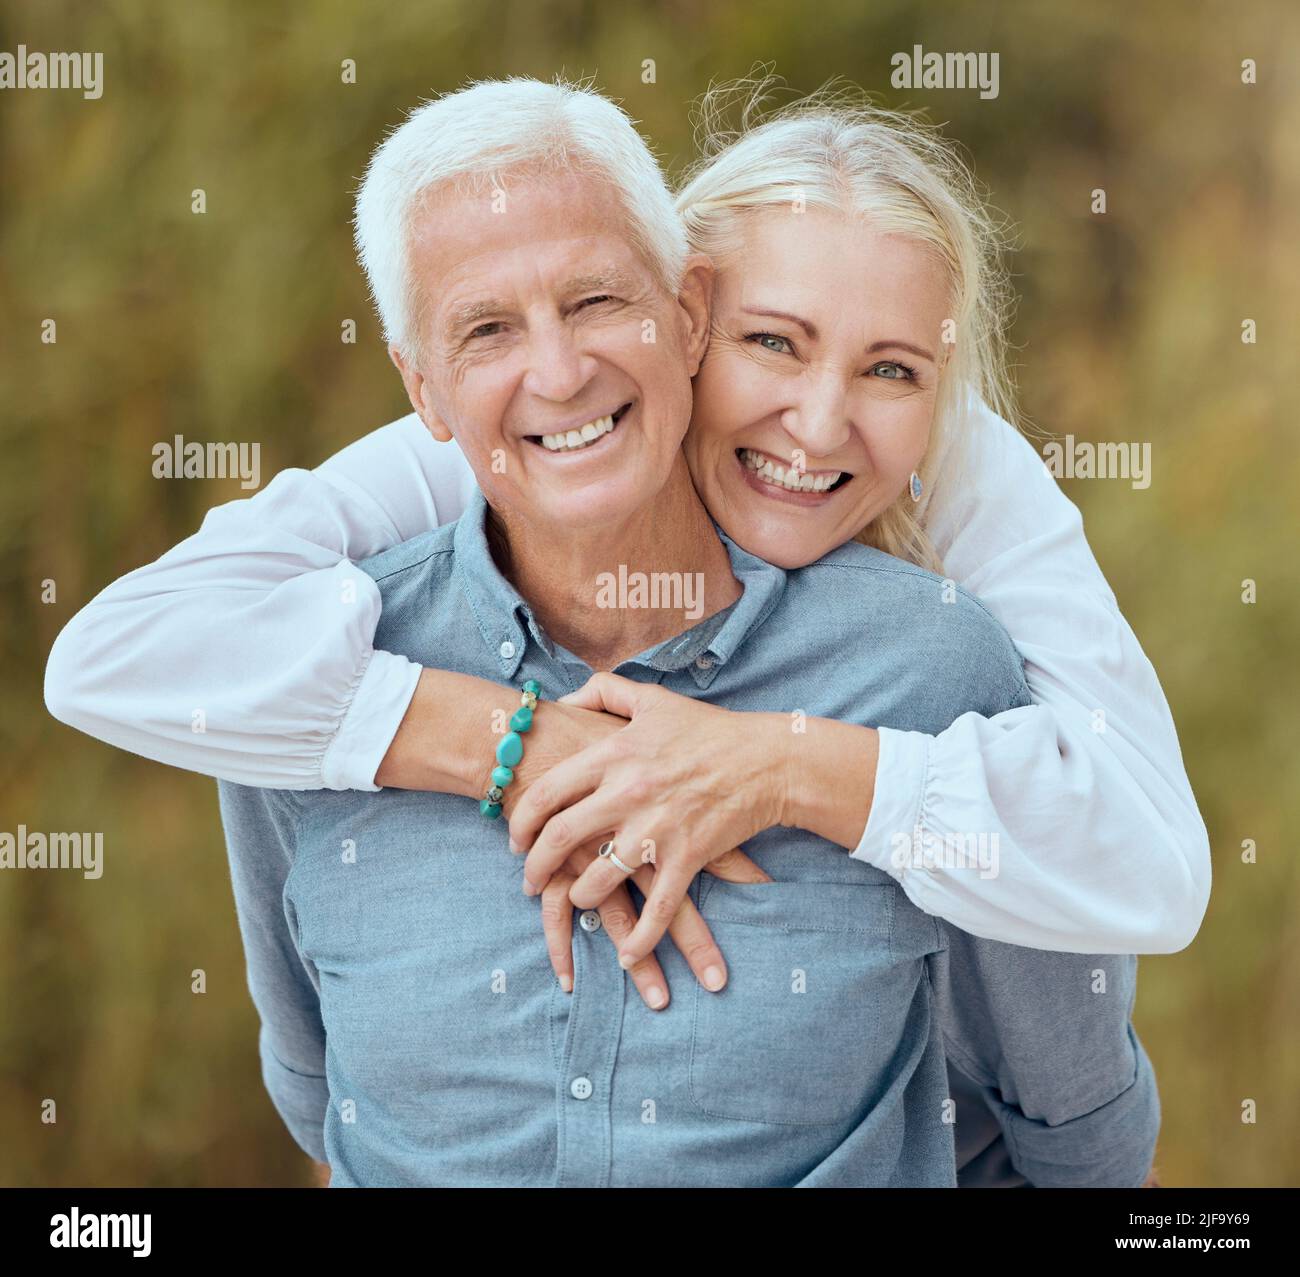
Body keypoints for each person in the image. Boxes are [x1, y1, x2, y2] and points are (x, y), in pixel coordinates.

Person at [207, 78, 1155, 1186]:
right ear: (421, 387)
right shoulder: (309, 667)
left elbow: (1070, 1116)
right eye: (488, 326)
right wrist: (502, 739)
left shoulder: (928, 665)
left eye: (597, 301)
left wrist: (790, 764)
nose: (558, 372)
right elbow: (329, 1101)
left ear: (681, 312)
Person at [42, 90, 1210, 973]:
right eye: (772, 341)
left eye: (890, 366)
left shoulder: (956, 473)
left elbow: (1155, 865)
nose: (818, 420)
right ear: (685, 318)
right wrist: (506, 737)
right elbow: (117, 650)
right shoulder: (543, 421)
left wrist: (780, 765)